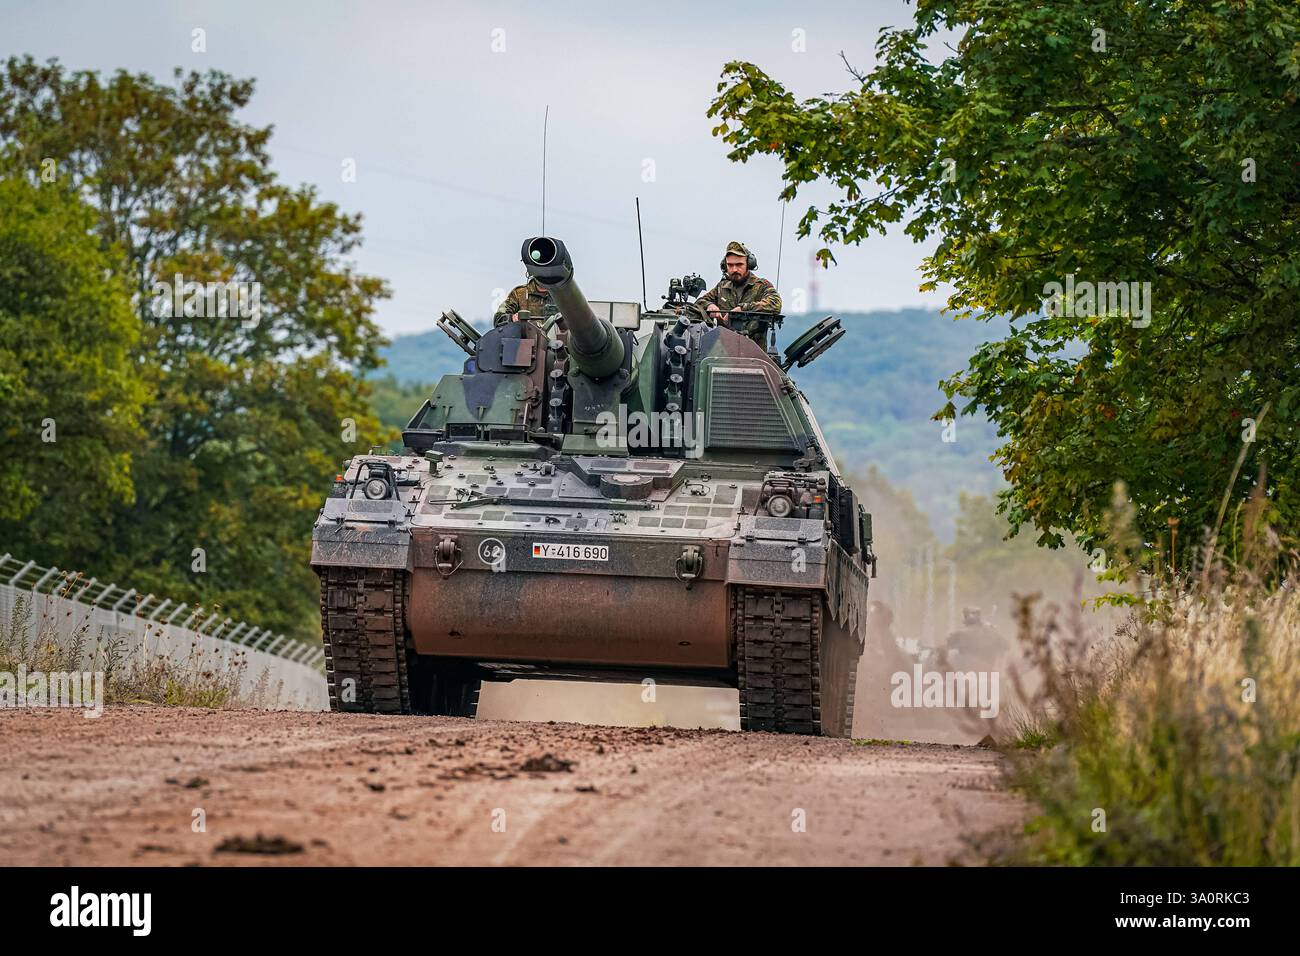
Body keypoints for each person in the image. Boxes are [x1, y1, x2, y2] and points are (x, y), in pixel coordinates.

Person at [695, 241, 782, 347]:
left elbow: (775, 303)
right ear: (724, 266)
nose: (734, 269)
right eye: (730, 265)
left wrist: (745, 309)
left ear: (749, 264)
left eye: (739, 264)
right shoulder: (722, 287)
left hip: (753, 355)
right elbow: (699, 302)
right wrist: (710, 306)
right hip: (722, 355)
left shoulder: (761, 286)